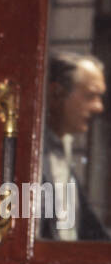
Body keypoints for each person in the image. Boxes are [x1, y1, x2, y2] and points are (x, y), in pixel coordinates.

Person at [41, 51, 108, 241]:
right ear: (56, 93)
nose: (98, 107)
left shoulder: (64, 149)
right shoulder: (31, 154)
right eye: (90, 96)